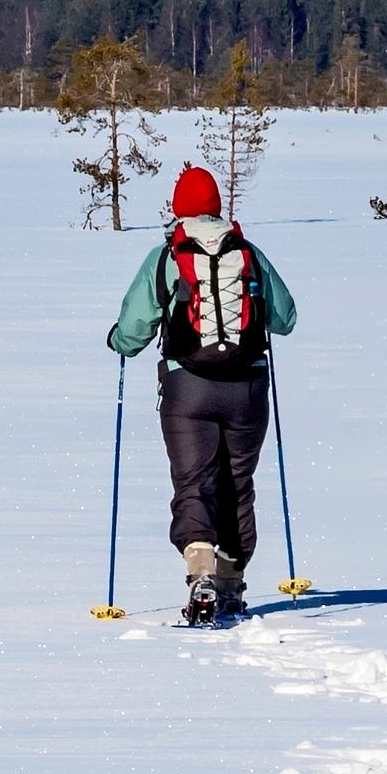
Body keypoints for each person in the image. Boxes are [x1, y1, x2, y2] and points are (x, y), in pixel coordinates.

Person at [106, 164, 299, 623]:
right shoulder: (248, 253)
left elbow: (135, 328)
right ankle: (231, 583)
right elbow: (285, 319)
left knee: (194, 482)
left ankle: (201, 572)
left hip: (186, 388)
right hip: (247, 389)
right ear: (217, 207)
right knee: (238, 485)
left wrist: (119, 341)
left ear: (178, 209)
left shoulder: (167, 256)